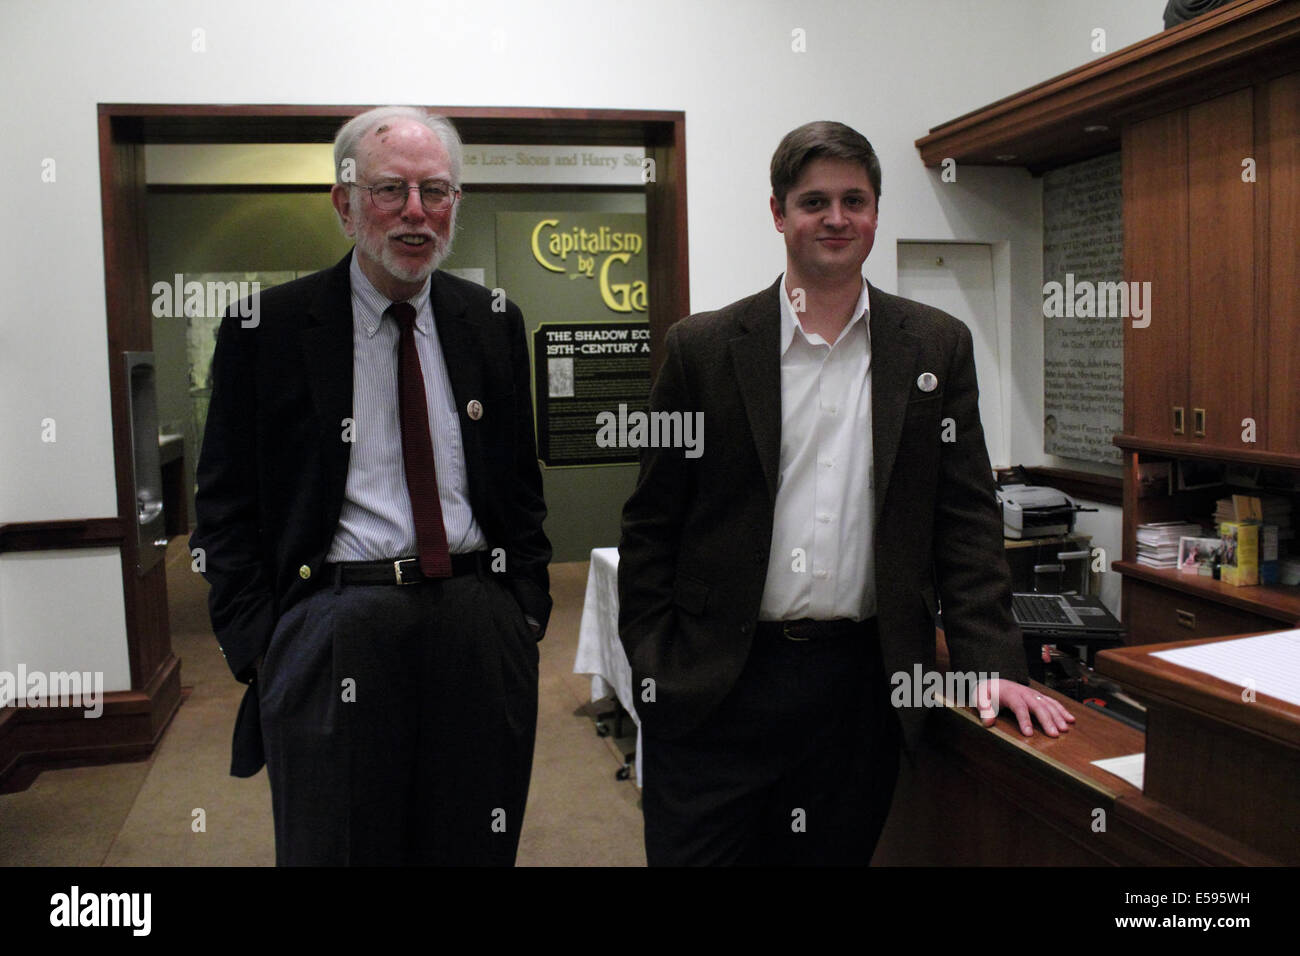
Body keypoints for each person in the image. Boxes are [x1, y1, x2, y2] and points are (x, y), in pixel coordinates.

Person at [617, 120, 1073, 866]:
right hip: (717, 683)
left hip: (860, 689)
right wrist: (654, 664)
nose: (835, 218)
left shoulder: (934, 346)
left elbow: (964, 520)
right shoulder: (699, 351)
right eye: (814, 201)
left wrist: (993, 666)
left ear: (875, 212)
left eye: (854, 200)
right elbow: (651, 525)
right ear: (778, 213)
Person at [191, 106, 551, 866]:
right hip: (335, 622)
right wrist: (264, 647)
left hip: (476, 624)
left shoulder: (491, 320)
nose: (417, 213)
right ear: (344, 200)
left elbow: (519, 483)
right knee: (340, 847)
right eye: (392, 190)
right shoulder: (269, 329)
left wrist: (525, 610)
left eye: (437, 191)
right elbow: (224, 504)